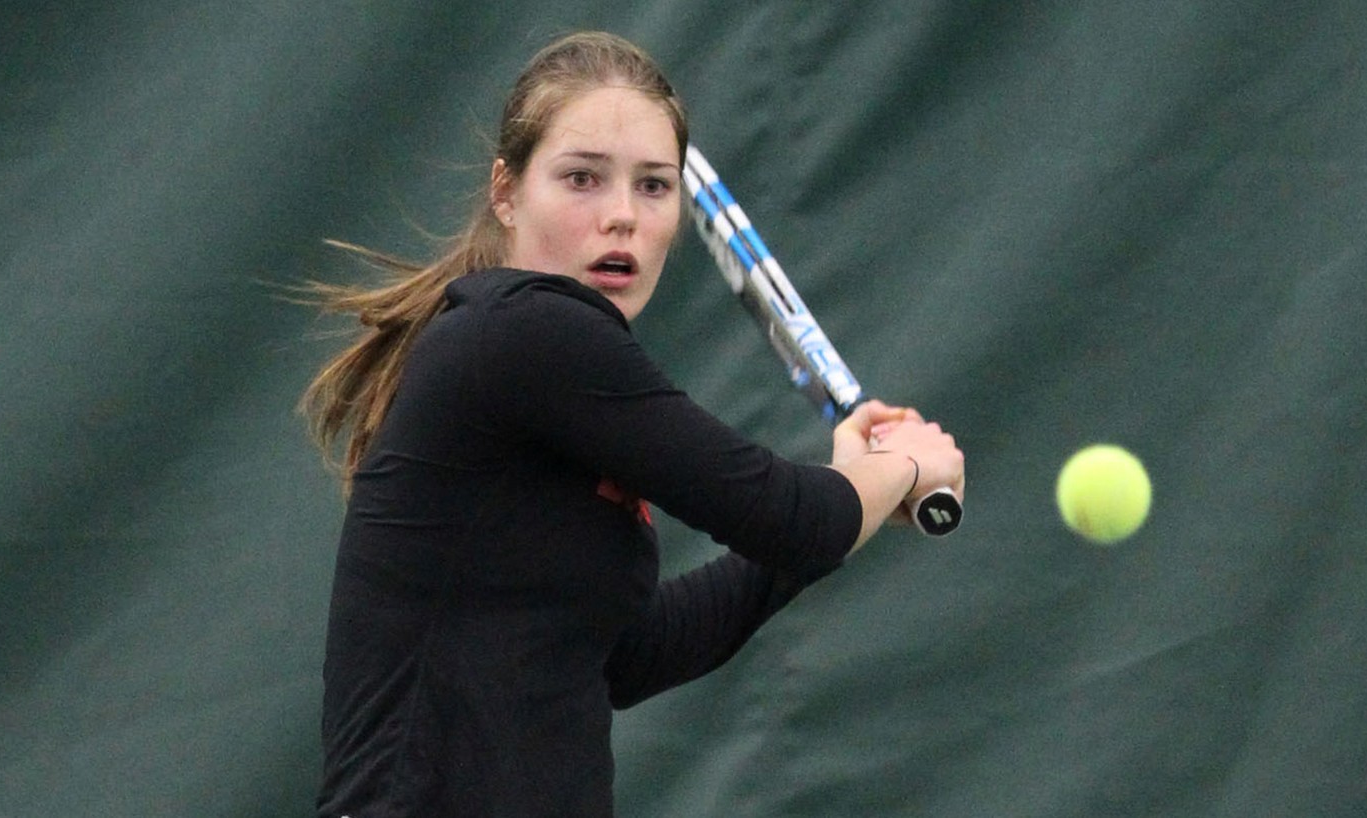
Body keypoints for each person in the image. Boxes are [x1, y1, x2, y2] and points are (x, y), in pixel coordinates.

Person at [301, 30, 964, 818]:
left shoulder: (527, 363)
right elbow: (792, 518)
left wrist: (851, 495)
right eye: (582, 178)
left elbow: (628, 655)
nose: (621, 216)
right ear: (507, 193)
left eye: (653, 187)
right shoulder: (530, 331)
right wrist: (907, 465)